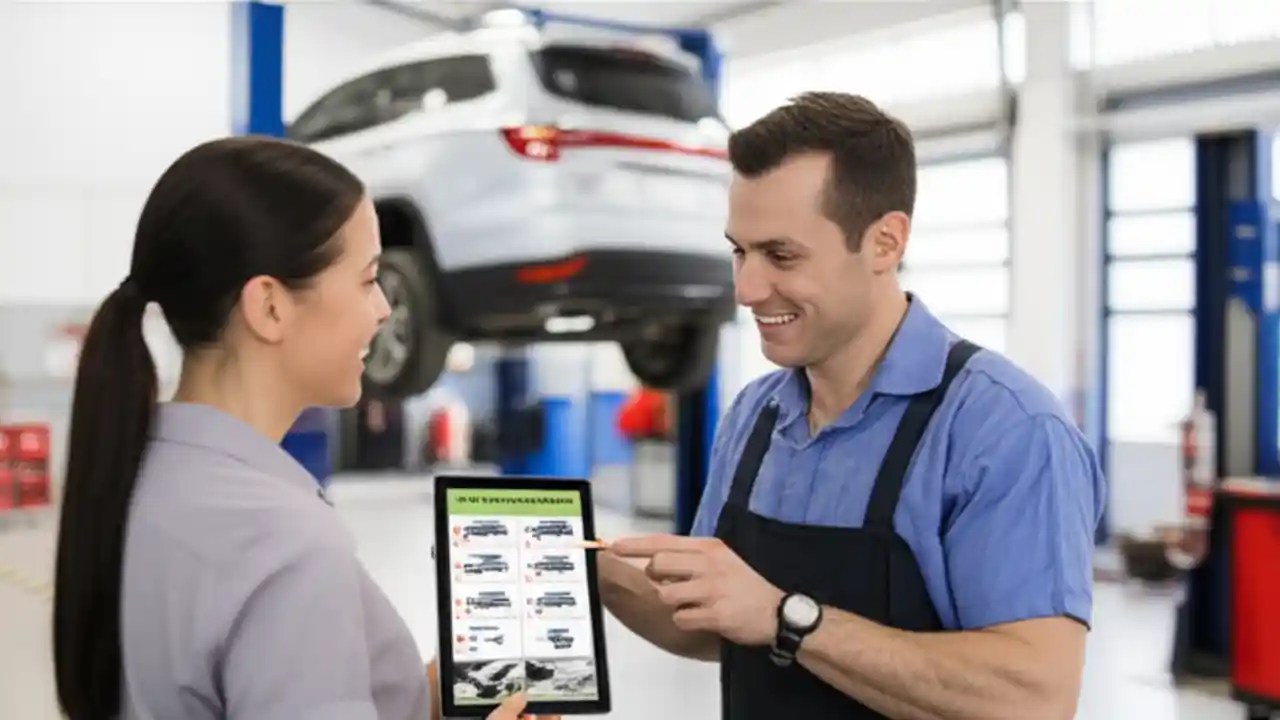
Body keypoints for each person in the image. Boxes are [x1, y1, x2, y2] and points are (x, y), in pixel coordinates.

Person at [597, 92, 1107, 719]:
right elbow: (713, 623)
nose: (747, 289)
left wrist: (786, 617)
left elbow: (1030, 700)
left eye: (781, 255)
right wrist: (581, 565)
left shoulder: (1004, 430)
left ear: (885, 243)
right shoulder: (754, 417)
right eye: (739, 250)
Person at [51, 136, 530, 720]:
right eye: (366, 278)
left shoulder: (137, 476)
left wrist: (413, 698)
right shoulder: (284, 542)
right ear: (270, 307)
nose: (383, 308)